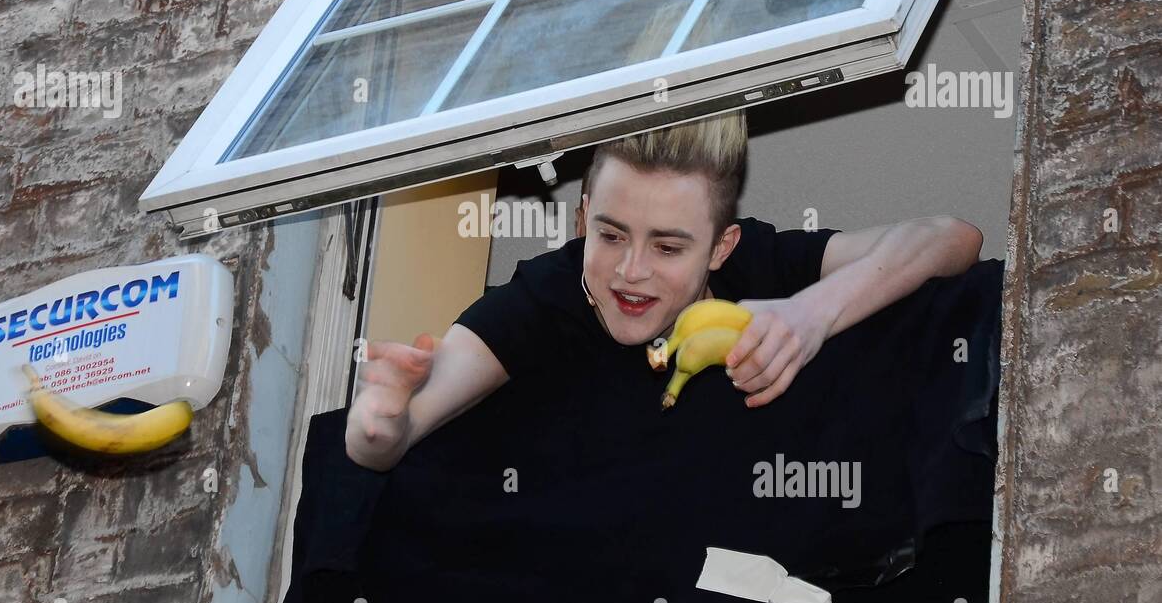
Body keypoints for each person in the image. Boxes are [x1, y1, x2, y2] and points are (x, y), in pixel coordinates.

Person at [345, 111, 984, 473]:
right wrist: (380, 414)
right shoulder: (540, 301)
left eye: (669, 248)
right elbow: (386, 444)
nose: (631, 271)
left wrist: (810, 312)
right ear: (582, 217)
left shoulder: (758, 262)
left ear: (721, 247)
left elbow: (950, 239)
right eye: (612, 235)